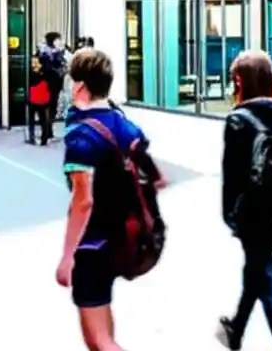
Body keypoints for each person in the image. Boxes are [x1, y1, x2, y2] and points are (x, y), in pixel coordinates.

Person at [56, 48, 165, 351]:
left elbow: (83, 202)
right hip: (124, 238)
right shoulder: (122, 122)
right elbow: (154, 174)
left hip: (93, 244)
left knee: (98, 339)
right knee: (103, 321)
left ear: (79, 86)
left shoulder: (80, 136)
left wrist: (66, 257)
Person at [217, 50, 272, 350]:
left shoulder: (239, 119)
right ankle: (236, 328)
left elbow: (232, 175)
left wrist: (230, 215)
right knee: (257, 269)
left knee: (267, 283)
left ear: (241, 83)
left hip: (252, 214)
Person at [36, 32, 68, 144]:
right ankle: (46, 132)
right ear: (53, 41)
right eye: (58, 39)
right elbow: (47, 68)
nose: (60, 42)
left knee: (52, 107)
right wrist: (60, 70)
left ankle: (49, 130)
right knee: (47, 107)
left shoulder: (57, 53)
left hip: (55, 84)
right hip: (48, 84)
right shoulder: (45, 53)